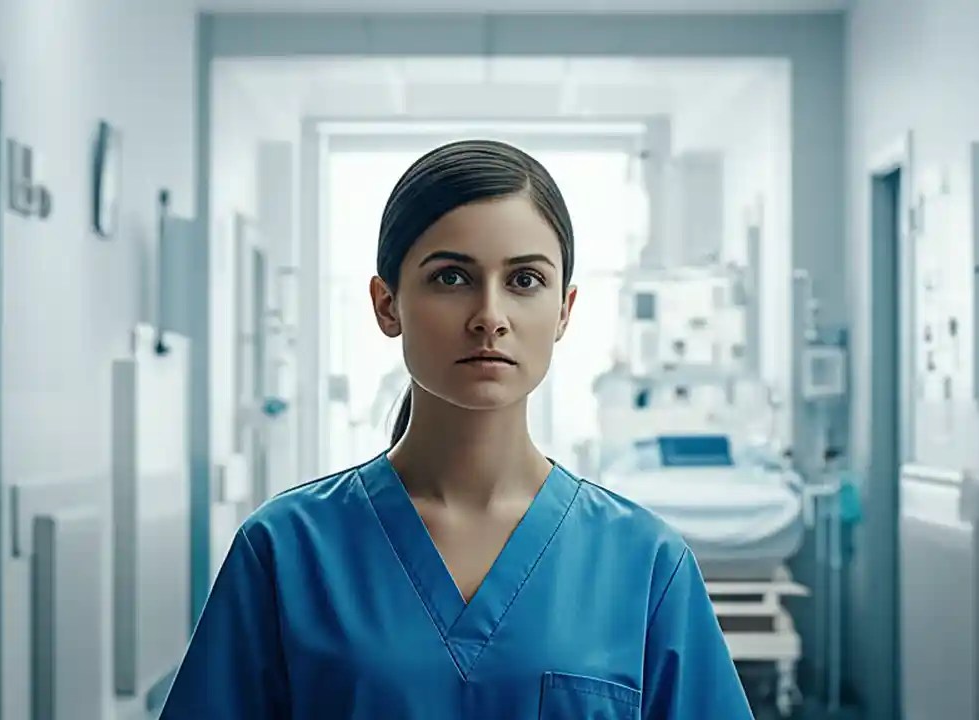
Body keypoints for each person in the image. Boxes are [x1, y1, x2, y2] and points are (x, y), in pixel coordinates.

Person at [160, 139, 754, 719]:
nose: (490, 317)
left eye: (524, 281)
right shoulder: (287, 549)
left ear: (565, 310)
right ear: (386, 304)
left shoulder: (643, 562)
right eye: (451, 278)